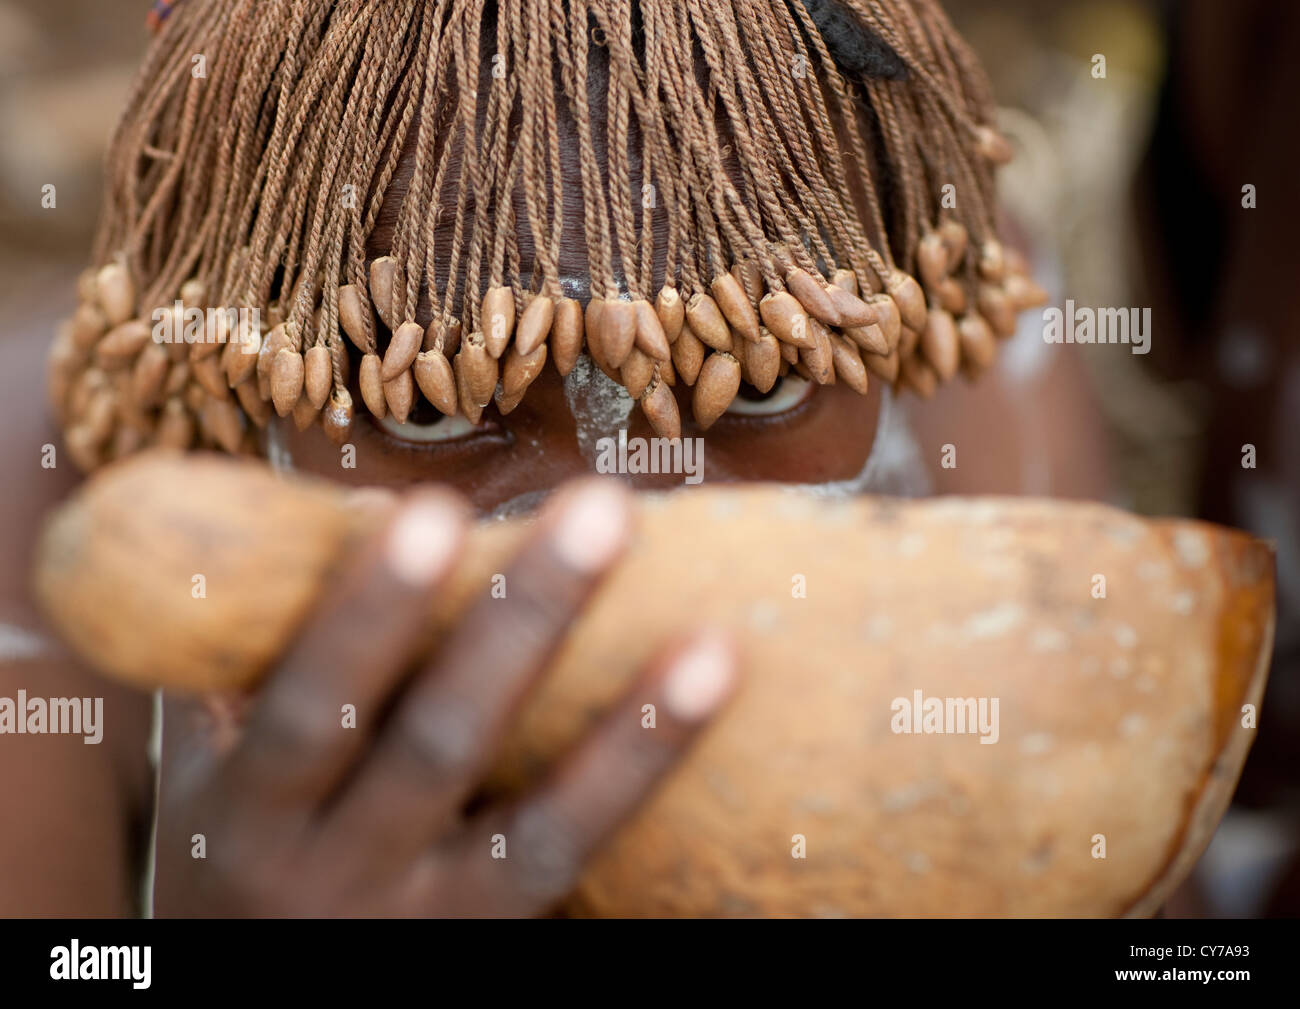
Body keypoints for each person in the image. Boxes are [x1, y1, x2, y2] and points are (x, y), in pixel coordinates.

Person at [1, 0, 1107, 916]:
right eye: (431, 413)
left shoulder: (940, 331)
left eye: (758, 387)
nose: (615, 542)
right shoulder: (58, 510)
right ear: (231, 385)